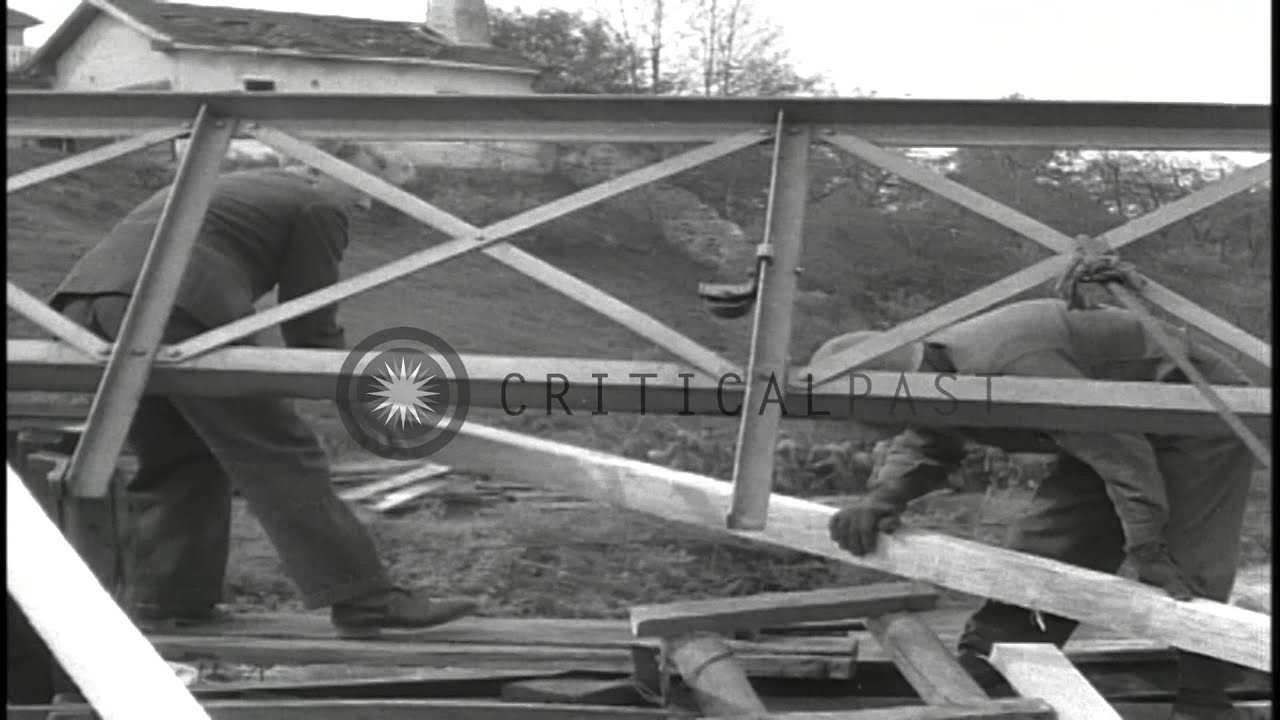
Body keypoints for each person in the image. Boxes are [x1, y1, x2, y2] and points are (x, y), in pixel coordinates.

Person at [48, 142, 478, 640]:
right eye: (367, 192)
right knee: (280, 452)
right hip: (179, 307)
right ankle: (365, 599)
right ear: (331, 170)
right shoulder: (317, 203)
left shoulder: (234, 186)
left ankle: (170, 602)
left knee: (178, 453)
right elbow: (311, 319)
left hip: (87, 306)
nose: (365, 206)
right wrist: (355, 390)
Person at [816, 297, 1256, 720]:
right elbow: (930, 439)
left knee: (1187, 560)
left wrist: (1147, 544)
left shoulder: (1011, 363)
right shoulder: (943, 378)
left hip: (1198, 408)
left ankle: (1204, 698)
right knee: (1050, 545)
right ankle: (995, 665)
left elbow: (1120, 452)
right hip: (1109, 423)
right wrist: (881, 499)